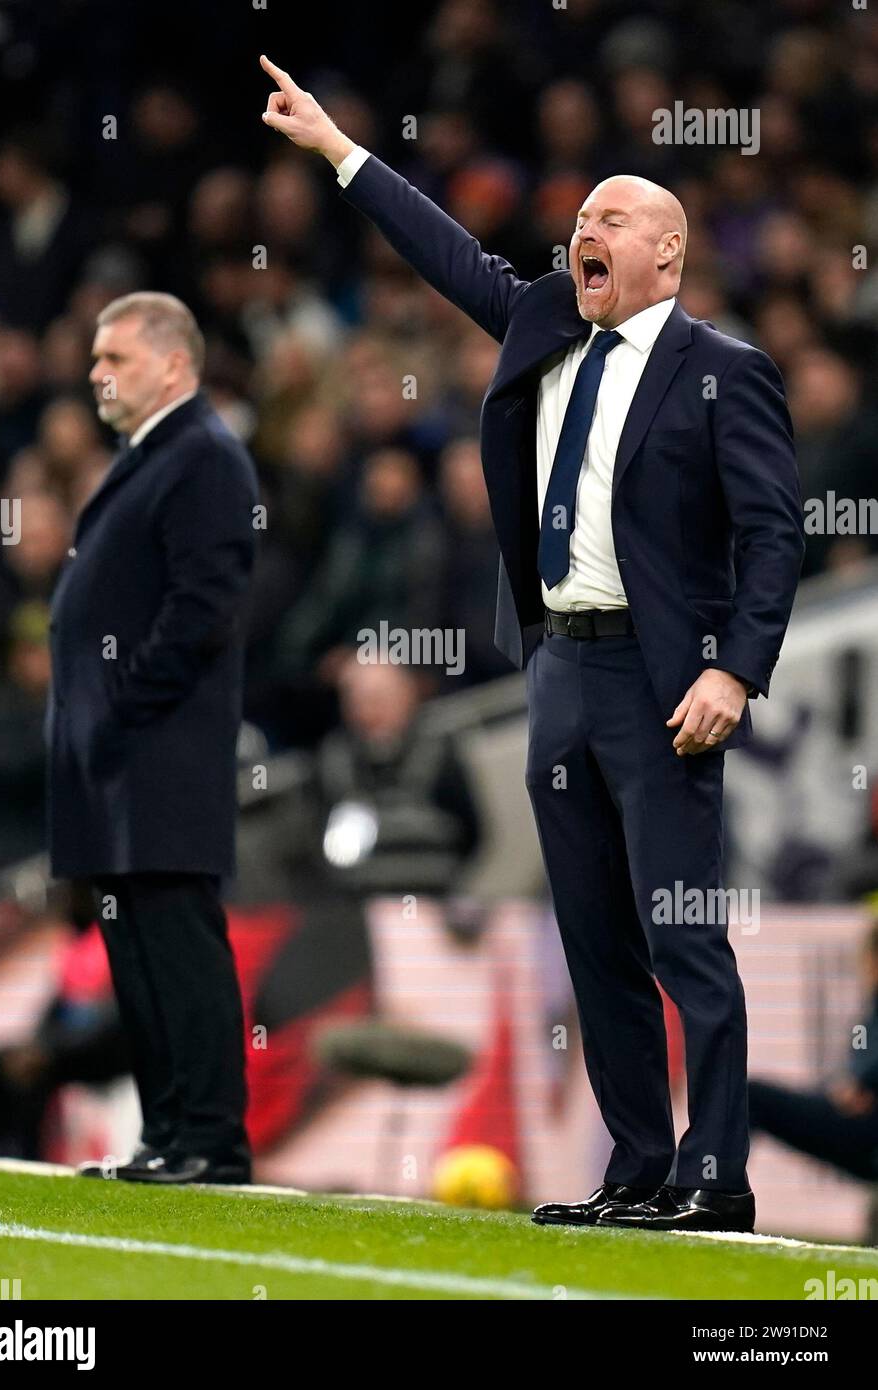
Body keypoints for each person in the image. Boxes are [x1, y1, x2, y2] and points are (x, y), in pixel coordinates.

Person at [260, 55, 805, 1232]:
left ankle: (717, 1175)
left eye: (610, 217)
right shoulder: (546, 324)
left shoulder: (725, 372)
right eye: (575, 221)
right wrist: (336, 150)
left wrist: (733, 666)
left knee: (680, 932)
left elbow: (774, 535)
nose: (582, 232)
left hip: (665, 682)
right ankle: (639, 1166)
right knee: (594, 938)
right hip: (560, 670)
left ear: (669, 253)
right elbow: (445, 248)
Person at [48, 291, 259, 1184]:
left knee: (178, 940)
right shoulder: (153, 456)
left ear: (175, 364)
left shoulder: (204, 456)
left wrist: (123, 705)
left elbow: (201, 610)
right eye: (95, 358)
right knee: (133, 946)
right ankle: (168, 1130)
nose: (96, 373)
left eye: (116, 358)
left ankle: (210, 1136)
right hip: (119, 756)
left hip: (161, 749)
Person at [749, 921, 878, 1183]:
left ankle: (711, 1188)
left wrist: (862, 1084)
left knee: (749, 1096)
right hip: (855, 1118)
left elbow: (854, 1090)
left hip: (863, 1124)